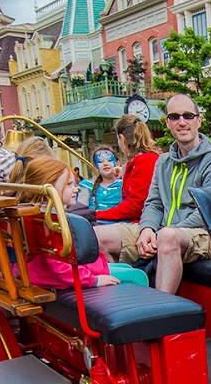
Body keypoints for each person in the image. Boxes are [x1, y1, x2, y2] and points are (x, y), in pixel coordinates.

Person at [98, 94, 211, 294]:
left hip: (201, 234)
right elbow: (153, 203)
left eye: (188, 116)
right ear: (167, 122)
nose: (182, 122)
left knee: (168, 237)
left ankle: (159, 314)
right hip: (162, 231)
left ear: (199, 120)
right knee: (100, 236)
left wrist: (161, 234)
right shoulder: (163, 162)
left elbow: (206, 212)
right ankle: (122, 302)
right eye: (174, 117)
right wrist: (147, 229)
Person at [17, 157, 138, 295]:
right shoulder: (52, 221)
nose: (76, 189)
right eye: (69, 184)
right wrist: (93, 280)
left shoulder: (36, 214)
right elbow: (60, 267)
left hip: (41, 274)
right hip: (62, 278)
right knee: (137, 276)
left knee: (126, 266)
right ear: (48, 188)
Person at [98, 115, 158, 223]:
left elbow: (136, 206)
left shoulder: (146, 160)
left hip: (143, 223)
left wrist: (99, 214)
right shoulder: (140, 161)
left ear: (121, 138)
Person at [89, 147, 124, 213]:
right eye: (100, 161)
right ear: (95, 167)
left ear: (118, 163)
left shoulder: (126, 184)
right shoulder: (89, 186)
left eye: (109, 160)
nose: (105, 164)